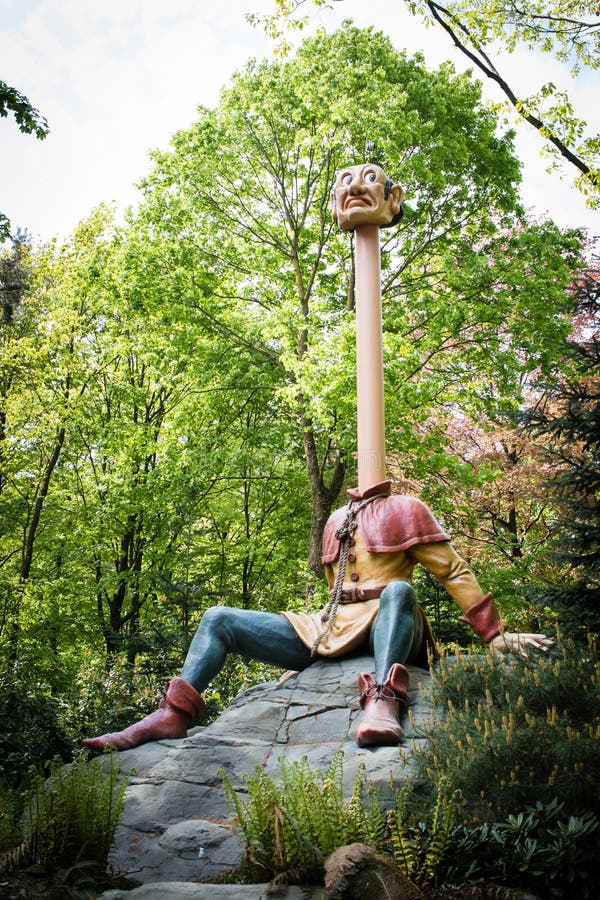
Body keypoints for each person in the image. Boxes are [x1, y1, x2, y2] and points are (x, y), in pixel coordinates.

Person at [81, 480, 552, 753]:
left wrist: (493, 635)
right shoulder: (336, 521)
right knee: (217, 617)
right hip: (333, 625)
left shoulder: (407, 509)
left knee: (400, 591)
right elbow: (332, 597)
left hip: (391, 619)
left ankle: (384, 700)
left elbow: (453, 569)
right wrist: (306, 658)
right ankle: (172, 715)